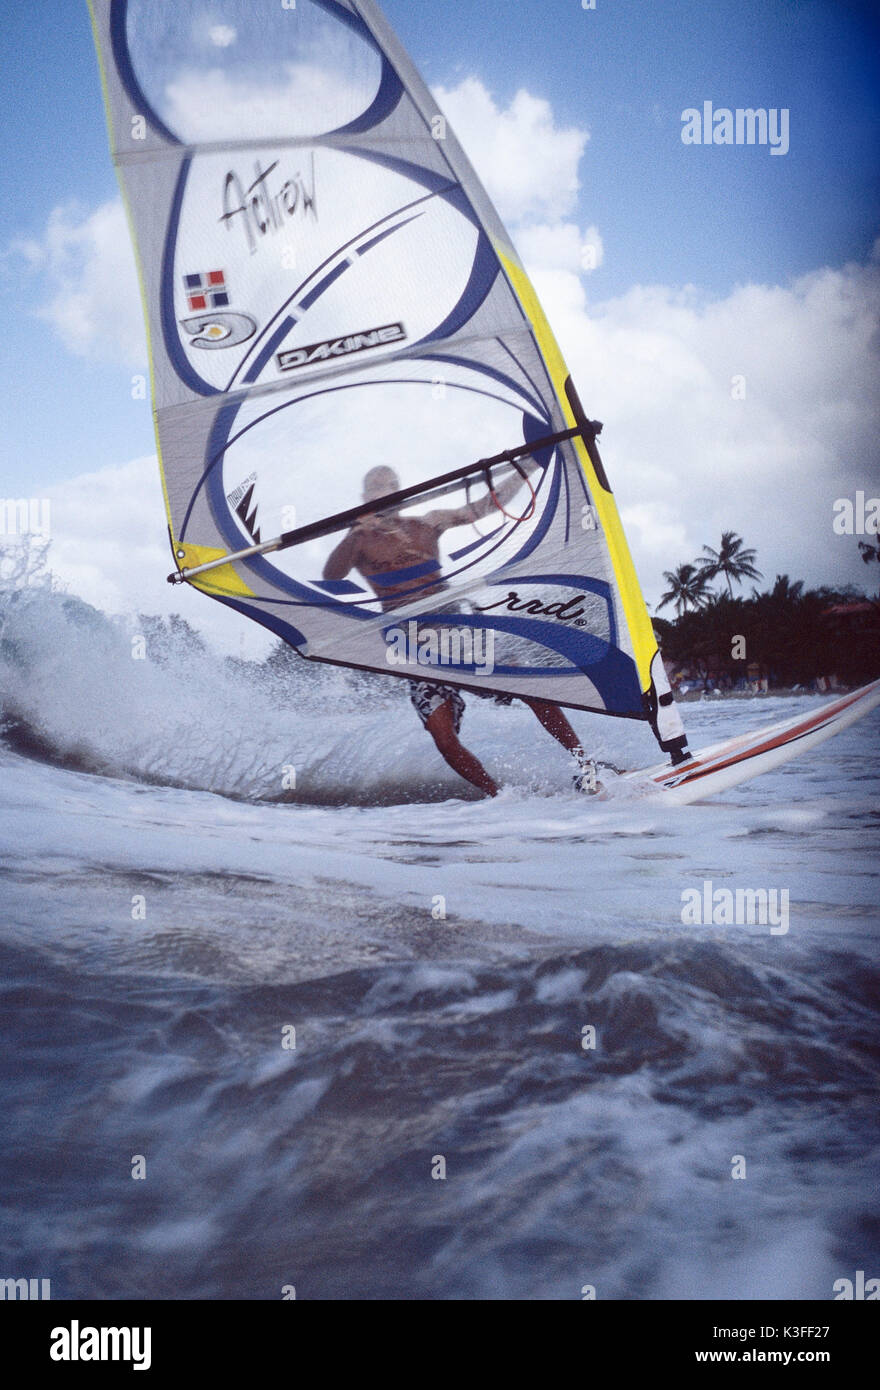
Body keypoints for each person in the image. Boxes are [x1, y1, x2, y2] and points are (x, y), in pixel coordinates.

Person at [323, 465, 601, 797]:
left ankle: (586, 767)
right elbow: (331, 576)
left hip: (456, 631)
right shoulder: (359, 541)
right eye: (377, 488)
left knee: (529, 686)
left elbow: (483, 507)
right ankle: (500, 797)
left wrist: (526, 466)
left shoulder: (426, 523)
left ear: (401, 492)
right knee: (443, 738)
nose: (385, 491)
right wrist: (353, 531)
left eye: (391, 485)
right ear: (365, 498)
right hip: (412, 647)